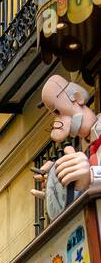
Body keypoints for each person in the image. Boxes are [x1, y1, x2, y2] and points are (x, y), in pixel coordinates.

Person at [34, 75, 101, 220]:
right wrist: (58, 188)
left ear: (77, 98)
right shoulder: (87, 148)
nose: (58, 122)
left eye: (58, 112)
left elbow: (92, 178)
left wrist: (93, 175)